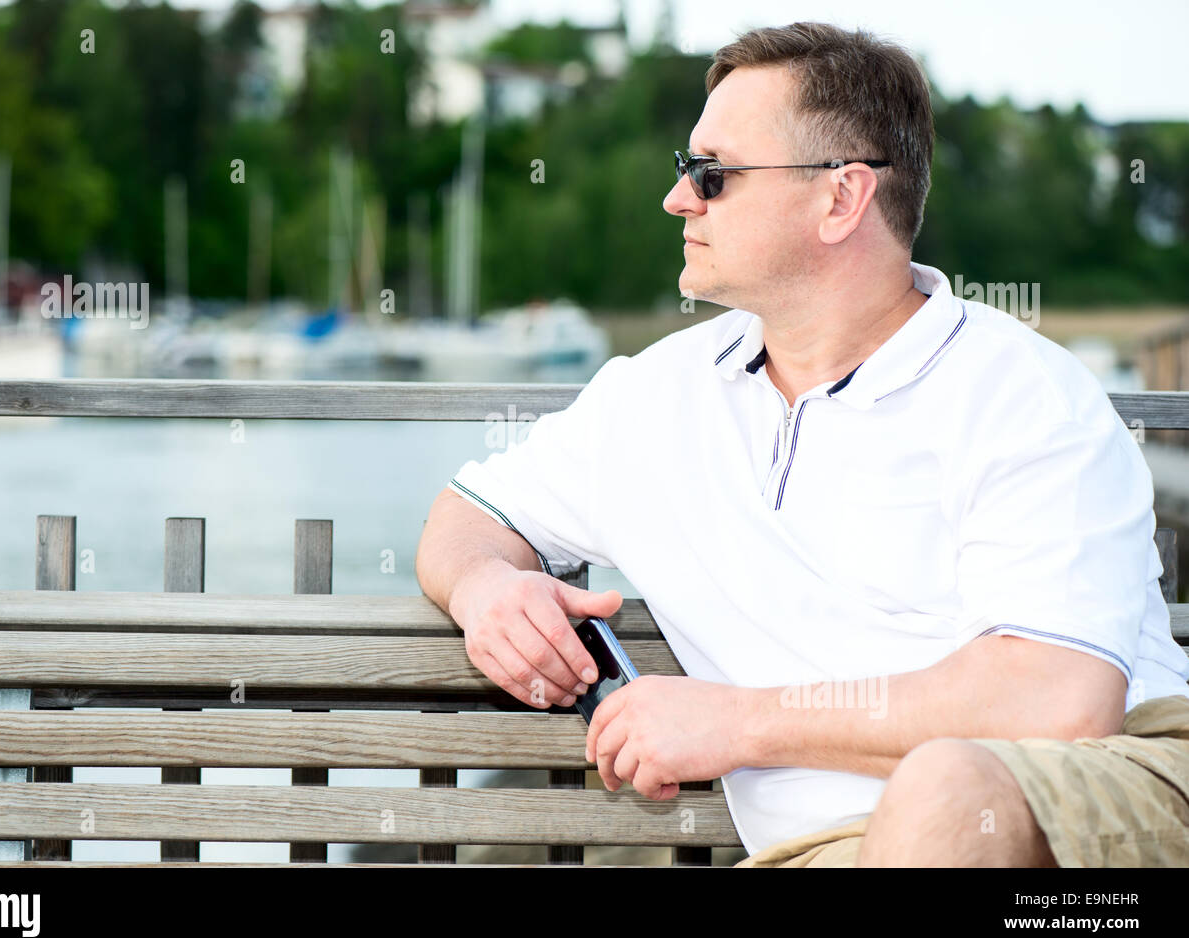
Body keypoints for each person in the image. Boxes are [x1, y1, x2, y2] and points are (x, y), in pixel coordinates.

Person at [414, 21, 1189, 867]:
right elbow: (469, 514)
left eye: (711, 176)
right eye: (685, 172)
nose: (679, 200)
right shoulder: (654, 398)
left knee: (944, 797)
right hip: (822, 852)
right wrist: (487, 586)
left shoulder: (1024, 393)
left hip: (1099, 806)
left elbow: (1057, 704)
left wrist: (735, 720)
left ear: (840, 197)